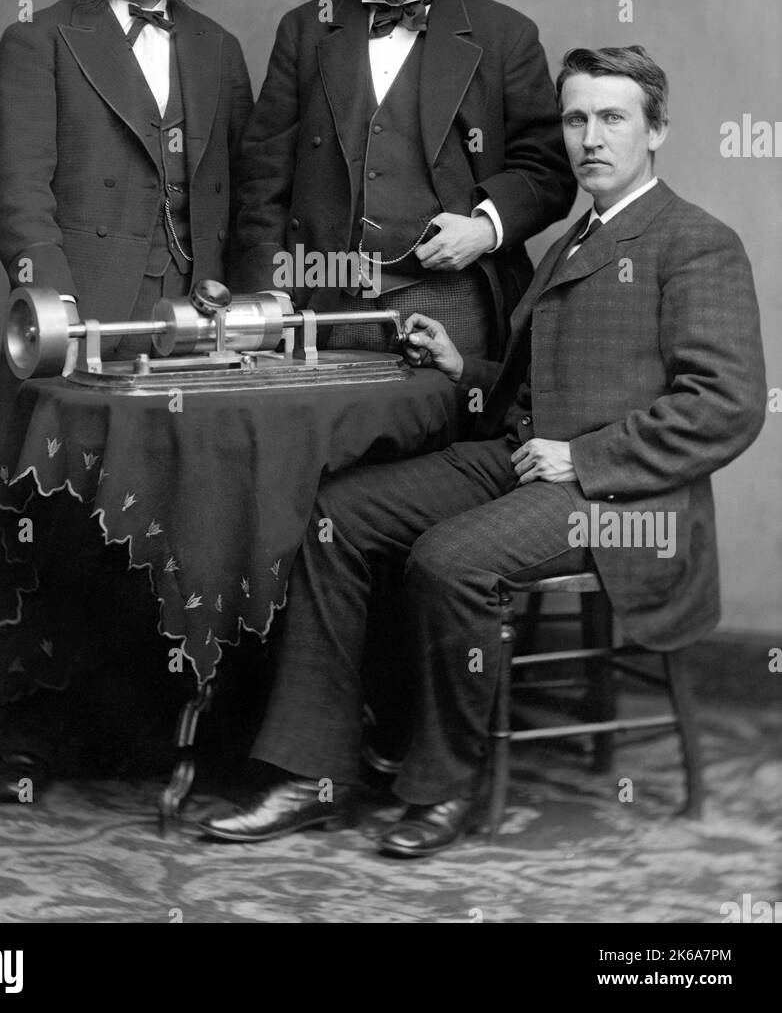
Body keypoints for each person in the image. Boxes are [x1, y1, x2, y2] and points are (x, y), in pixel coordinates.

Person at [199, 45, 766, 857]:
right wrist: (471, 369)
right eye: (576, 119)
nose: (590, 139)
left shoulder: (696, 242)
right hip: (525, 459)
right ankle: (309, 771)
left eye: (613, 119)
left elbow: (729, 405)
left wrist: (587, 460)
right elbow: (557, 380)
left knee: (449, 559)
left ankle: (440, 787)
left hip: (631, 504)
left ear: (657, 130)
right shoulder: (575, 239)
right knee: (338, 514)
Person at [0, 0, 252, 799]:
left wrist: (230, 298)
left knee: (164, 527)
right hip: (77, 331)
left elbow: (234, 200)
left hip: (182, 331)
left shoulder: (219, 50)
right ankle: (29, 736)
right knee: (53, 535)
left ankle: (137, 730)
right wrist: (60, 319)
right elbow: (17, 197)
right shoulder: (42, 40)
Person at [234, 0, 576, 359]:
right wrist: (271, 292)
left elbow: (548, 171)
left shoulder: (504, 35)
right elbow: (262, 179)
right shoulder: (305, 30)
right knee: (326, 438)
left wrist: (485, 228)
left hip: (454, 302)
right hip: (322, 302)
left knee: (448, 438)